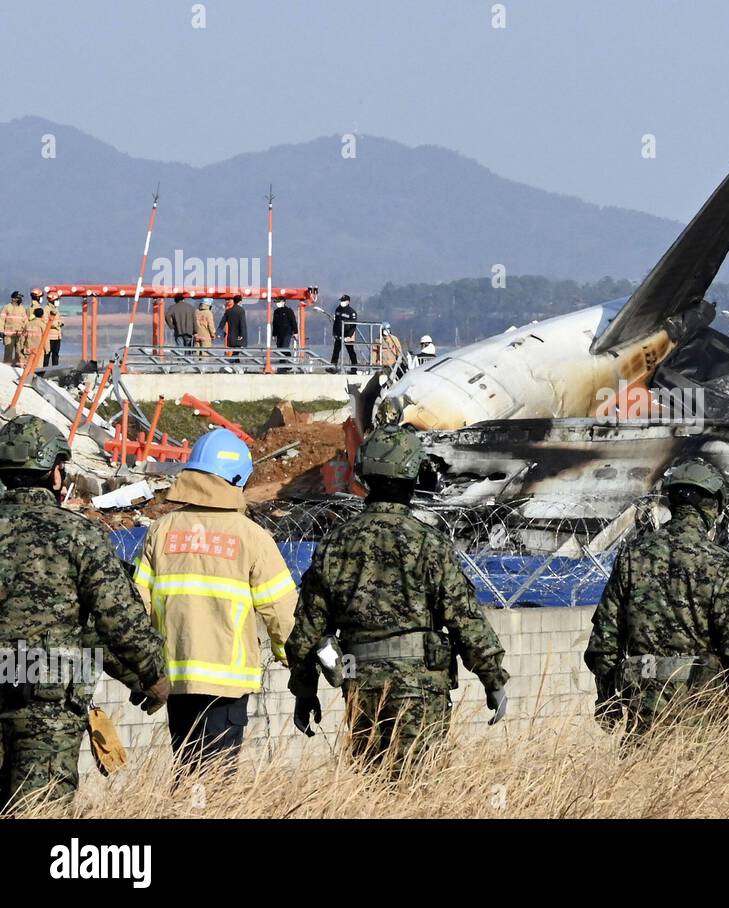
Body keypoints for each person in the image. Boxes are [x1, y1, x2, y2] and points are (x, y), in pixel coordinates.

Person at [287, 425, 509, 770]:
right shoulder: (427, 543)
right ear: (415, 472)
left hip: (361, 687)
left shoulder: (335, 543)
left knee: (372, 788)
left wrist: (304, 690)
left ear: (364, 473)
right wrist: (492, 678)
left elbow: (308, 628)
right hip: (420, 688)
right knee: (416, 788)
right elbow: (465, 618)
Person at [0, 416, 169, 808]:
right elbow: (117, 621)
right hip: (48, 710)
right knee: (39, 811)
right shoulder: (78, 535)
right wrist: (151, 674)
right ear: (54, 473)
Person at [132, 428, 297, 774]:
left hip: (175, 681)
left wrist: (141, 670)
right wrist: (292, 658)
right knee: (215, 784)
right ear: (236, 478)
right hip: (226, 684)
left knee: (188, 772)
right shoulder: (252, 537)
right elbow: (283, 614)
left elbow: (137, 608)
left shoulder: (161, 532)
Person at [586, 458, 729, 738]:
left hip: (643, 712)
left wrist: (608, 701)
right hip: (704, 717)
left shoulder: (634, 556)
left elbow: (604, 640)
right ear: (712, 504)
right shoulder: (718, 563)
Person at [331, 294, 358, 373]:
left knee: (351, 352)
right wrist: (334, 333)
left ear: (348, 302)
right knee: (336, 351)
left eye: (343, 301)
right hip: (339, 334)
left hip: (347, 335)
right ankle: (333, 367)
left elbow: (353, 325)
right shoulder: (338, 309)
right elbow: (336, 322)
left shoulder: (351, 312)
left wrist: (349, 336)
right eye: (341, 301)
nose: (342, 302)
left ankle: (354, 368)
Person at [271, 300, 298, 371]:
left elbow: (293, 322)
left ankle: (284, 365)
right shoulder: (276, 312)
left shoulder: (289, 311)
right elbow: (274, 324)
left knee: (284, 348)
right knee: (280, 349)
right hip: (279, 334)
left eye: (278, 302)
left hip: (287, 333)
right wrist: (273, 334)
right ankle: (287, 364)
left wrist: (295, 332)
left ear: (283, 302)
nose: (277, 303)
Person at [3, 292, 27, 364]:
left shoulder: (22, 308)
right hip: (9, 335)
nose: (20, 299)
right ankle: (7, 369)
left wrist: (26, 331)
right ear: (13, 299)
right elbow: (1, 320)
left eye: (20, 298)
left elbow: (25, 321)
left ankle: (18, 368)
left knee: (19, 353)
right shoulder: (7, 307)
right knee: (8, 354)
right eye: (18, 298)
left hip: (19, 335)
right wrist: (1, 331)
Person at [42, 299, 63, 367]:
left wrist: (61, 323)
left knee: (56, 355)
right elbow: (45, 321)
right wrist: (56, 325)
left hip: (57, 336)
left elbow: (59, 319)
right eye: (56, 300)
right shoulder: (46, 309)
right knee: (47, 354)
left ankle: (55, 369)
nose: (58, 301)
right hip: (50, 336)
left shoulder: (56, 309)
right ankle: (44, 370)